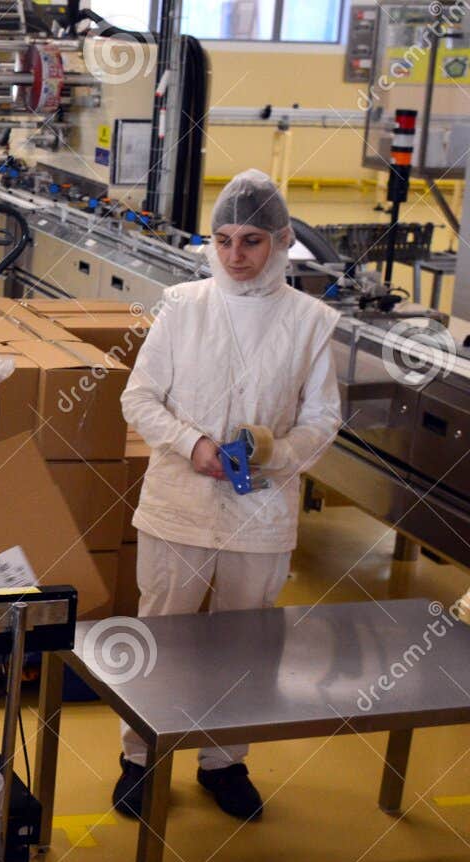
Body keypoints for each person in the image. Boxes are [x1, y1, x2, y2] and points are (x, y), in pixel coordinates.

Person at [117, 169, 341, 821]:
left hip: (260, 517)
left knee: (246, 645)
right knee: (163, 638)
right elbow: (139, 397)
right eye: (223, 240)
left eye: (251, 241)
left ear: (282, 241)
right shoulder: (183, 307)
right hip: (179, 510)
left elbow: (323, 418)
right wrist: (195, 445)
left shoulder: (310, 322)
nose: (236, 256)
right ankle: (141, 756)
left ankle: (224, 760)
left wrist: (277, 454)